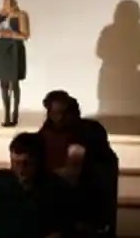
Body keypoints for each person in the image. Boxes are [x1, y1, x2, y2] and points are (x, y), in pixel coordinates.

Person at [39, 90, 117, 226]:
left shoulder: (86, 135)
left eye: (64, 113)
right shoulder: (45, 133)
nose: (60, 118)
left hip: (70, 195)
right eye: (55, 113)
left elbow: (72, 174)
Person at [0, 0, 32, 127]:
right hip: (2, 47)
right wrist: (0, 28)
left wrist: (11, 33)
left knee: (14, 83)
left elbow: (25, 35)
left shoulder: (21, 15)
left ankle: (15, 114)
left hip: (14, 47)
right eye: (4, 1)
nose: (6, 4)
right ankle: (6, 114)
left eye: (9, 1)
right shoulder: (1, 13)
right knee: (3, 82)